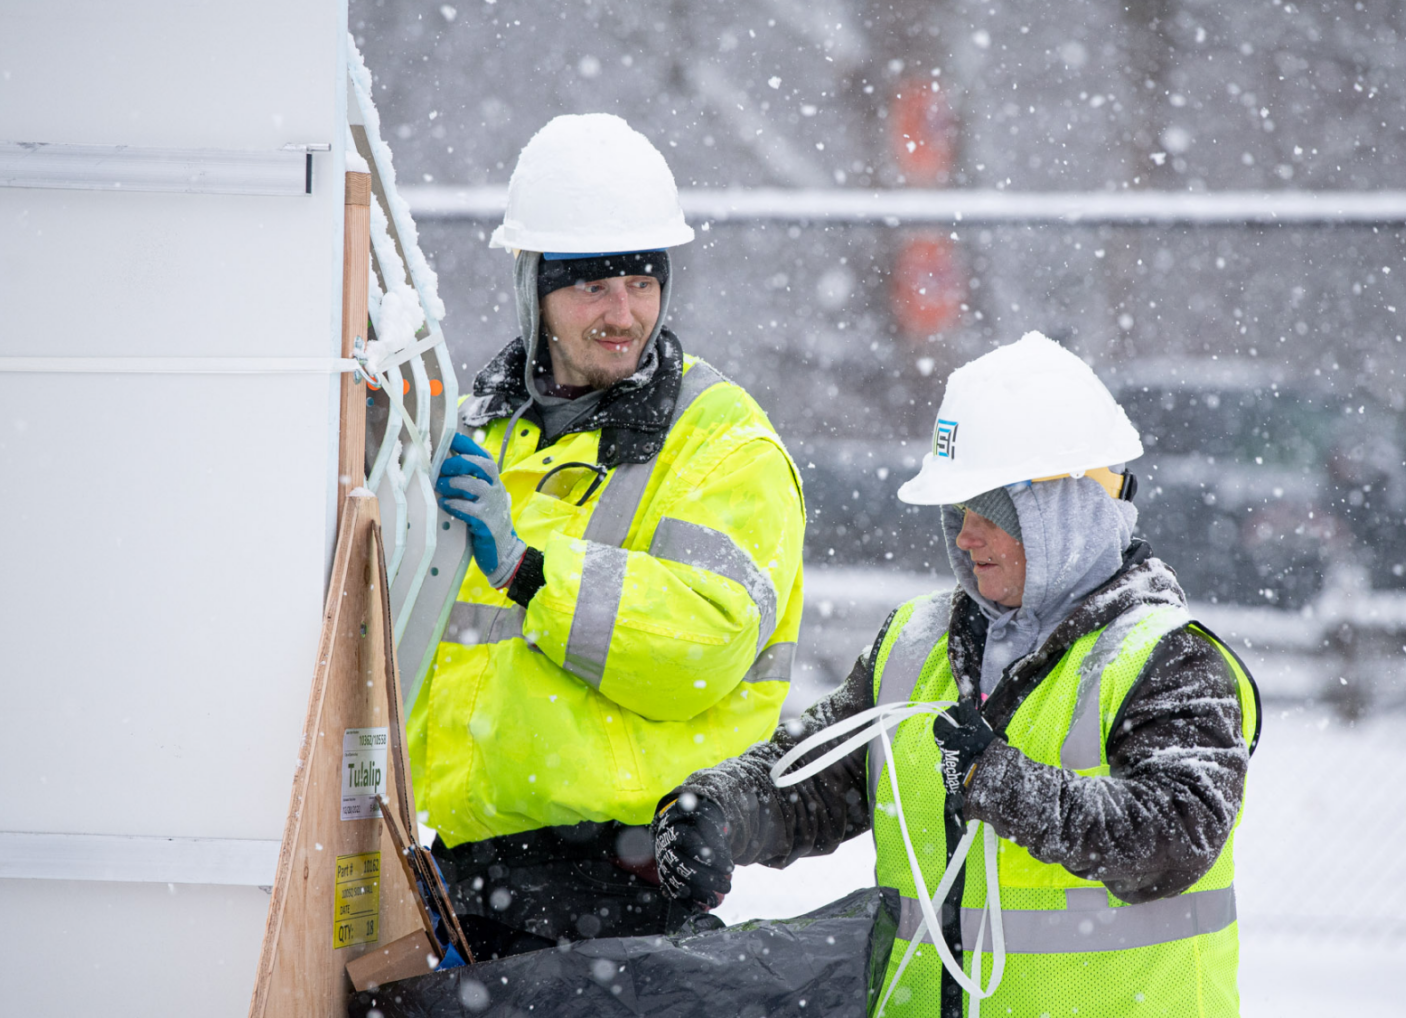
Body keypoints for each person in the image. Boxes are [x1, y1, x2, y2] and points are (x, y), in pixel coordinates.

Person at [653, 332, 1260, 1017]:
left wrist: (997, 782)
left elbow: (1175, 837)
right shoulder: (916, 644)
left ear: (1068, 511)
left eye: (992, 512)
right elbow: (818, 778)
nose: (967, 538)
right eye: (957, 513)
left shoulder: (1167, 661)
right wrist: (717, 810)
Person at [406, 113, 806, 959]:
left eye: (643, 282)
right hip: (464, 879)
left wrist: (528, 568)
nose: (624, 313)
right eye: (593, 286)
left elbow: (701, 641)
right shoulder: (486, 429)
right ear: (534, 289)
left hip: (624, 890)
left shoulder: (721, 441)